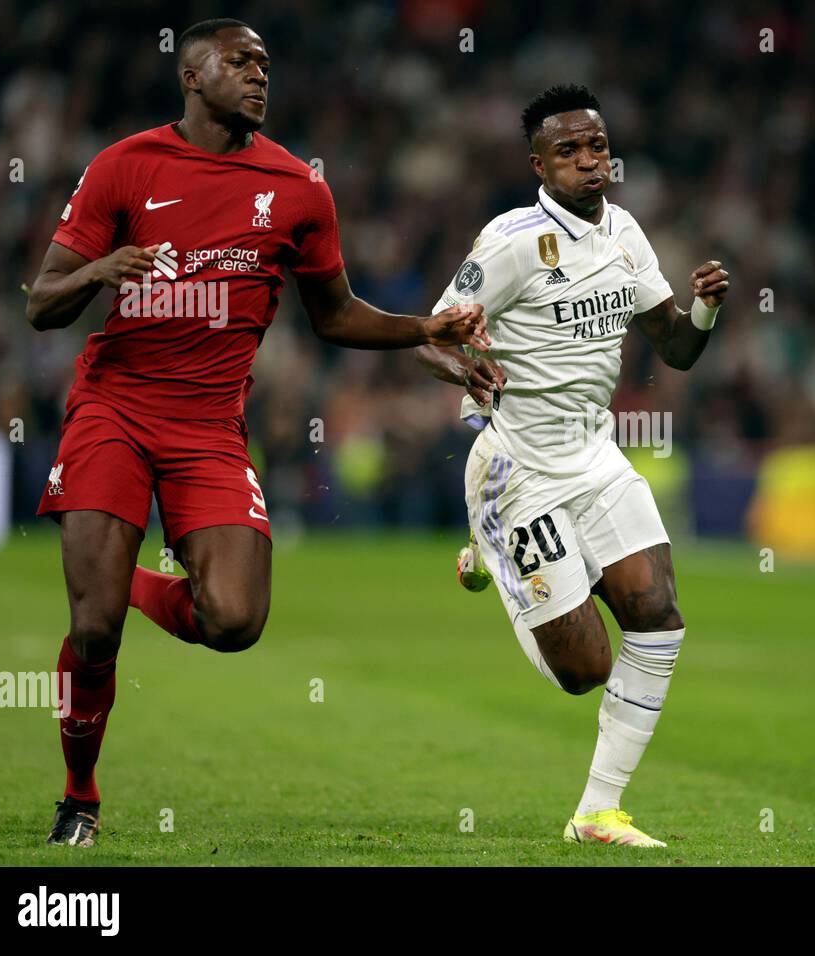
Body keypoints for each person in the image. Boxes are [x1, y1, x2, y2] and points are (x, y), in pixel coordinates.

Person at [25, 18, 488, 847]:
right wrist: (99, 270)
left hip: (208, 427)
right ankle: (79, 796)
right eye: (239, 61)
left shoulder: (299, 187)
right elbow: (40, 304)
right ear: (191, 76)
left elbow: (337, 314)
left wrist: (427, 330)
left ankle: (120, 576)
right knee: (93, 635)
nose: (258, 75)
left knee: (235, 621)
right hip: (115, 408)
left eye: (266, 63)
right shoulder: (124, 166)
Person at [418, 84, 729, 847]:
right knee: (583, 669)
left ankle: (597, 812)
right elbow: (429, 335)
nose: (590, 162)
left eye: (597, 147)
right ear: (539, 164)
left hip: (594, 457)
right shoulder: (512, 241)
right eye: (570, 151)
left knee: (658, 619)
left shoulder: (626, 233)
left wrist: (707, 310)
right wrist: (464, 372)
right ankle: (489, 546)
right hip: (516, 470)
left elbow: (677, 350)